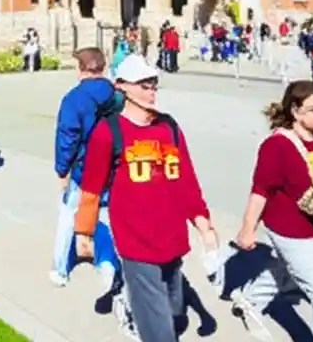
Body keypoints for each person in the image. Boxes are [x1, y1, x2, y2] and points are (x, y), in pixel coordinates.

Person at [75, 54, 219, 342]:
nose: (151, 90)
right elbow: (91, 188)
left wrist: (204, 226)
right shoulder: (109, 131)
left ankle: (130, 309)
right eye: (143, 84)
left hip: (173, 237)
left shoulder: (169, 128)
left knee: (175, 312)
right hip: (136, 240)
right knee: (159, 329)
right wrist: (84, 232)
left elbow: (187, 182)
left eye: (154, 83)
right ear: (122, 87)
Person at [232, 80, 313, 342]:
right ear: (295, 111)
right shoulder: (277, 146)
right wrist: (247, 229)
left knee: (287, 269)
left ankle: (249, 301)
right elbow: (261, 190)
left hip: (312, 225)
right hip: (288, 229)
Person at [51, 47, 121, 290]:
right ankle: (108, 263)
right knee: (108, 218)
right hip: (114, 167)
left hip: (86, 169)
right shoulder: (117, 95)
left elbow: (68, 137)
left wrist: (62, 169)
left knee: (69, 215)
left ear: (81, 69)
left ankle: (60, 269)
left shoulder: (74, 99)